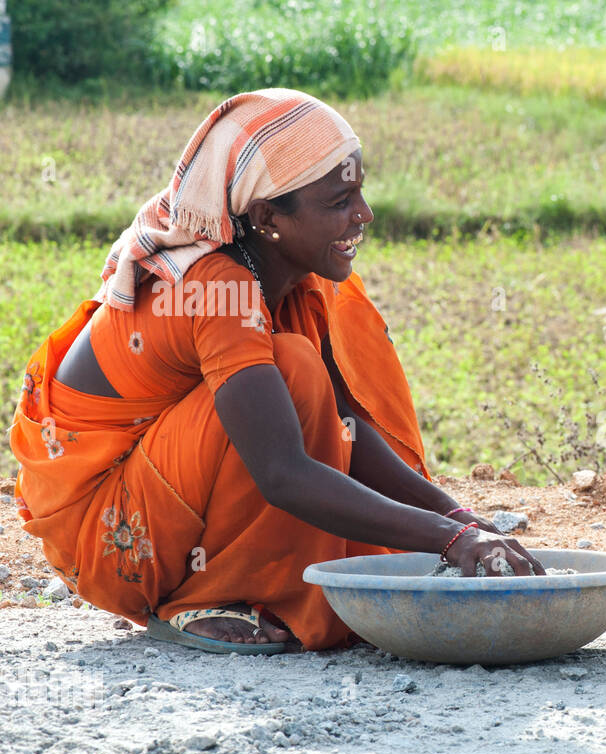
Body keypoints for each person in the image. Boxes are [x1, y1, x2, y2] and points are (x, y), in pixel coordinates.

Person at [10, 88, 541, 654]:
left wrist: (457, 517)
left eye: (360, 191)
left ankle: (259, 581)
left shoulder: (289, 280)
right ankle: (201, 594)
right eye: (339, 201)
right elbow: (281, 471)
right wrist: (450, 539)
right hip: (109, 535)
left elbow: (345, 431)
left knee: (298, 376)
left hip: (158, 493)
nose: (364, 214)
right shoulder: (218, 287)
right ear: (266, 217)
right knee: (292, 370)